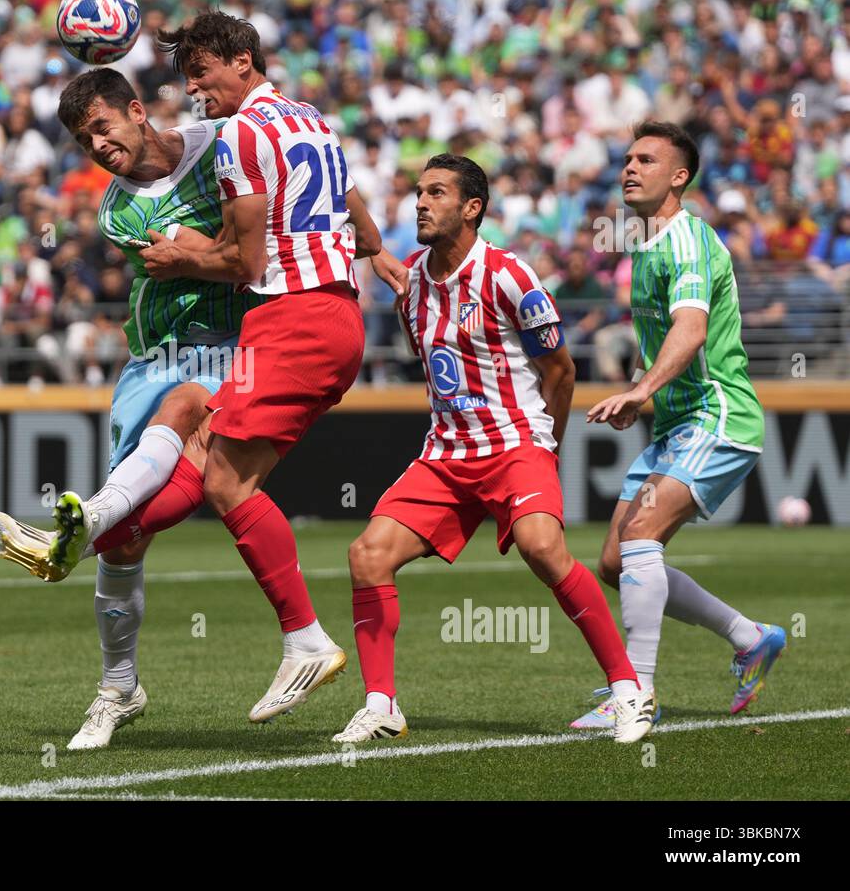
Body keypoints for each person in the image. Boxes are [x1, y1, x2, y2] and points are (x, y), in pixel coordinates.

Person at [54, 10, 407, 724]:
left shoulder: (237, 135)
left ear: (243, 60)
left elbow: (243, 264)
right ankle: (103, 525)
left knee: (223, 477)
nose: (194, 89)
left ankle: (303, 638)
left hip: (287, 317)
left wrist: (186, 253)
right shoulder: (308, 117)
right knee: (194, 452)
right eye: (186, 78)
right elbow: (342, 199)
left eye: (202, 73)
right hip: (308, 319)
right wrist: (373, 250)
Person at [0, 67, 262, 749]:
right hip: (152, 359)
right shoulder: (118, 210)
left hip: (229, 352)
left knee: (180, 425)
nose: (96, 145)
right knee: (124, 545)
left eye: (102, 126)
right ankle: (119, 685)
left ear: (137, 111)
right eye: (82, 139)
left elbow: (237, 260)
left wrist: (203, 253)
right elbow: (203, 258)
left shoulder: (221, 144)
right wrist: (203, 252)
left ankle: (87, 519)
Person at [336, 155, 653, 745]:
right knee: (367, 556)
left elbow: (559, 373)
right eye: (418, 192)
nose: (421, 203)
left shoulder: (510, 276)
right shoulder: (411, 285)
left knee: (542, 548)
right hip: (446, 455)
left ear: (472, 208)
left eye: (437, 193)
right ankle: (382, 703)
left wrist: (545, 446)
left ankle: (629, 689)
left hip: (514, 445)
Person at [575, 121, 784, 731]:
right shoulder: (644, 245)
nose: (628, 168)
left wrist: (640, 389)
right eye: (626, 158)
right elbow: (668, 339)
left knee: (640, 537)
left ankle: (637, 693)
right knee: (615, 561)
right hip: (677, 422)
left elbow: (691, 331)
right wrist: (646, 397)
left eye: (646, 159)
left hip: (718, 414)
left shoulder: (689, 239)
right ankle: (751, 638)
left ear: (679, 176)